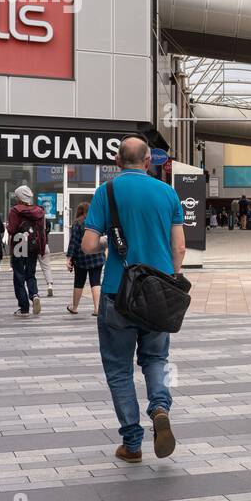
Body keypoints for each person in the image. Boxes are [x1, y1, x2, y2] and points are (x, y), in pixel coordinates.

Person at [82, 136, 186, 463]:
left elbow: (87, 245)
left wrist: (106, 243)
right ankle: (159, 407)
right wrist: (171, 275)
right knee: (156, 359)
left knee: (118, 369)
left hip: (117, 292)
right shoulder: (168, 193)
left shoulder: (106, 192)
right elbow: (179, 248)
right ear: (147, 162)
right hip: (157, 292)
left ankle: (132, 443)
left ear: (117, 161)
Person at [7, 186, 47, 317]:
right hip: (34, 245)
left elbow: (12, 230)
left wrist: (7, 226)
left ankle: (24, 308)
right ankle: (34, 294)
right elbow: (42, 230)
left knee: (19, 276)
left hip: (20, 245)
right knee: (30, 274)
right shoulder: (39, 210)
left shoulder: (15, 210)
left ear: (19, 197)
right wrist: (42, 249)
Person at [66, 200, 104, 316]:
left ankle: (75, 307)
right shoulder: (97, 221)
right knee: (96, 282)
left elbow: (74, 242)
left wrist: (69, 258)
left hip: (81, 258)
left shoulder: (78, 223)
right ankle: (97, 308)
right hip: (97, 257)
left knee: (78, 282)